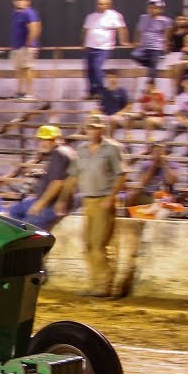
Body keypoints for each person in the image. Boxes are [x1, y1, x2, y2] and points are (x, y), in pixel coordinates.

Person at [63, 114, 125, 298]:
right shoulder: (81, 149)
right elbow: (73, 176)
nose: (94, 131)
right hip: (88, 200)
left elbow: (121, 175)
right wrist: (63, 199)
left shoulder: (112, 148)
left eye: (97, 127)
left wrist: (111, 197)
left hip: (103, 200)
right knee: (89, 244)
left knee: (99, 244)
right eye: (91, 127)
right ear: (86, 129)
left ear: (102, 129)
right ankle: (95, 283)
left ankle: (104, 285)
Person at [9, 124, 75, 231]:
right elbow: (62, 174)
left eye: (48, 140)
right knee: (15, 211)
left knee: (27, 228)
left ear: (57, 140)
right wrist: (43, 174)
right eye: (41, 140)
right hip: (47, 201)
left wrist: (40, 204)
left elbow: (58, 183)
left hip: (52, 205)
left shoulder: (59, 154)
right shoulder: (64, 151)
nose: (43, 143)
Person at [81, 0, 128, 98]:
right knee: (89, 70)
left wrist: (124, 41)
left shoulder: (114, 15)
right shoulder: (91, 16)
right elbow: (85, 30)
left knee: (97, 67)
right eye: (99, 4)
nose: (101, 6)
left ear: (109, 5)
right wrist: (83, 43)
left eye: (104, 4)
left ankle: (101, 92)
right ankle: (92, 92)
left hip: (104, 47)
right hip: (90, 46)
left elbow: (121, 28)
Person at [132, 0, 172, 93]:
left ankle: (148, 87)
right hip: (144, 46)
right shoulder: (143, 18)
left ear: (160, 9)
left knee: (153, 68)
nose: (151, 9)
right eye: (150, 7)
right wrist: (136, 41)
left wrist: (166, 45)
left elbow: (167, 34)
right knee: (135, 56)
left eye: (154, 8)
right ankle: (151, 66)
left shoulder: (165, 20)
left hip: (156, 46)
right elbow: (139, 31)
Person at [8, 0, 42, 100]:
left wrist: (29, 42)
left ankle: (29, 93)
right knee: (19, 69)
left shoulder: (29, 13)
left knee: (27, 69)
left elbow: (35, 28)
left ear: (28, 2)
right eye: (17, 0)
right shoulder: (15, 13)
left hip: (26, 46)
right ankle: (20, 92)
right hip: (17, 46)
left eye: (23, 0)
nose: (20, 2)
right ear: (13, 2)